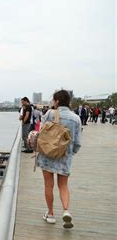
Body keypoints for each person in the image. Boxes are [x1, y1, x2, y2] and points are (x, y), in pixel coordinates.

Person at [37, 90, 81, 229]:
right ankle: (66, 210)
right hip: (64, 156)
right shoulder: (76, 118)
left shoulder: (50, 113)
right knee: (63, 185)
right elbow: (77, 142)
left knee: (48, 185)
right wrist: (70, 153)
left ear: (56, 101)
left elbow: (42, 132)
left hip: (47, 154)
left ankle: (50, 214)